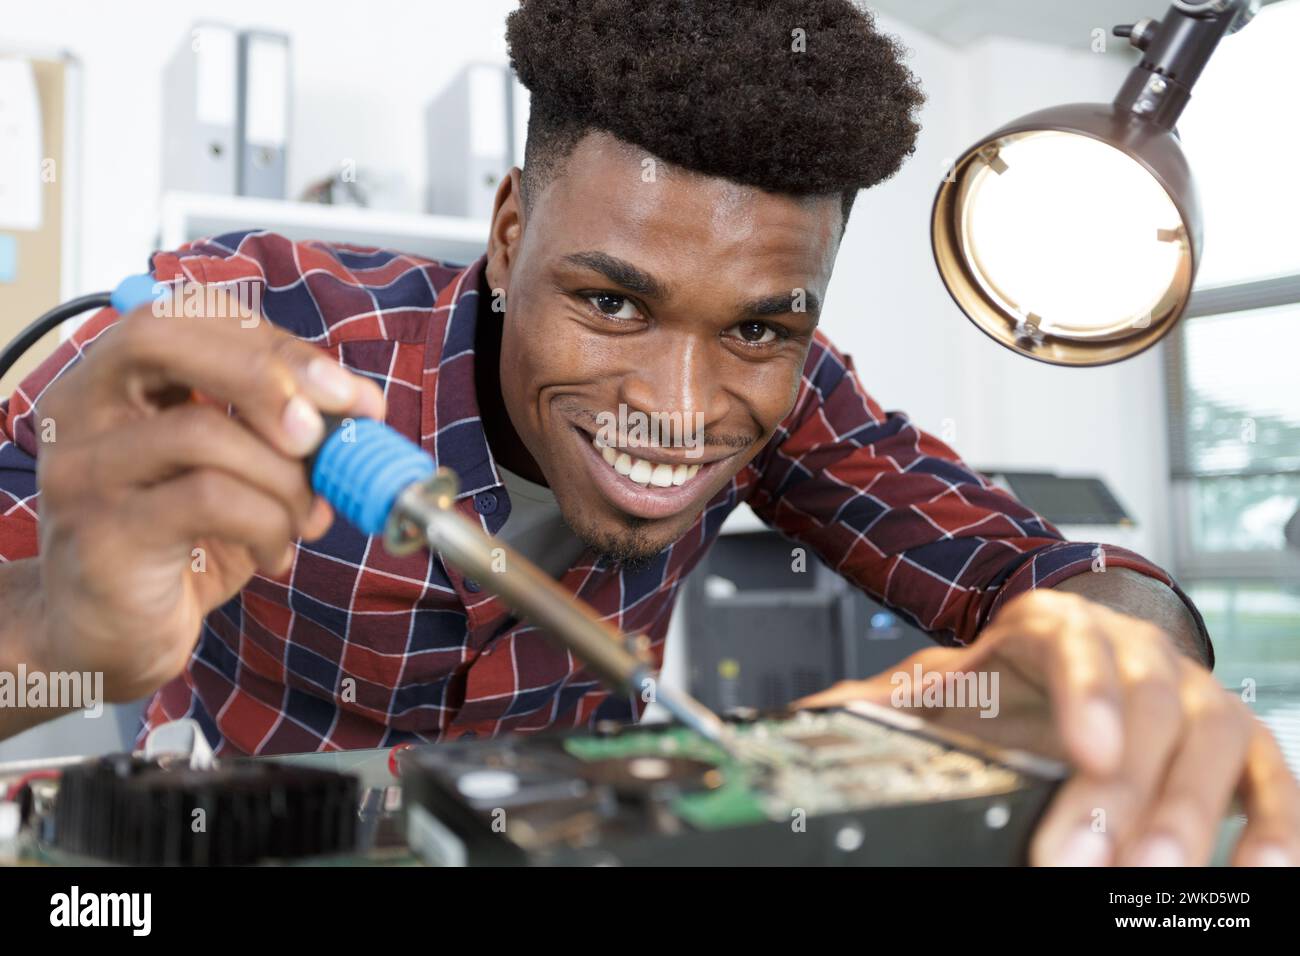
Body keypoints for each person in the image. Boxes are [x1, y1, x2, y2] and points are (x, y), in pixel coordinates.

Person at [0, 0, 1294, 866]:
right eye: (611, 301)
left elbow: (1063, 581)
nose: (680, 406)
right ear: (511, 235)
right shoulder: (258, 330)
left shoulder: (788, 392)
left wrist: (1107, 645)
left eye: (758, 329)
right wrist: (49, 631)